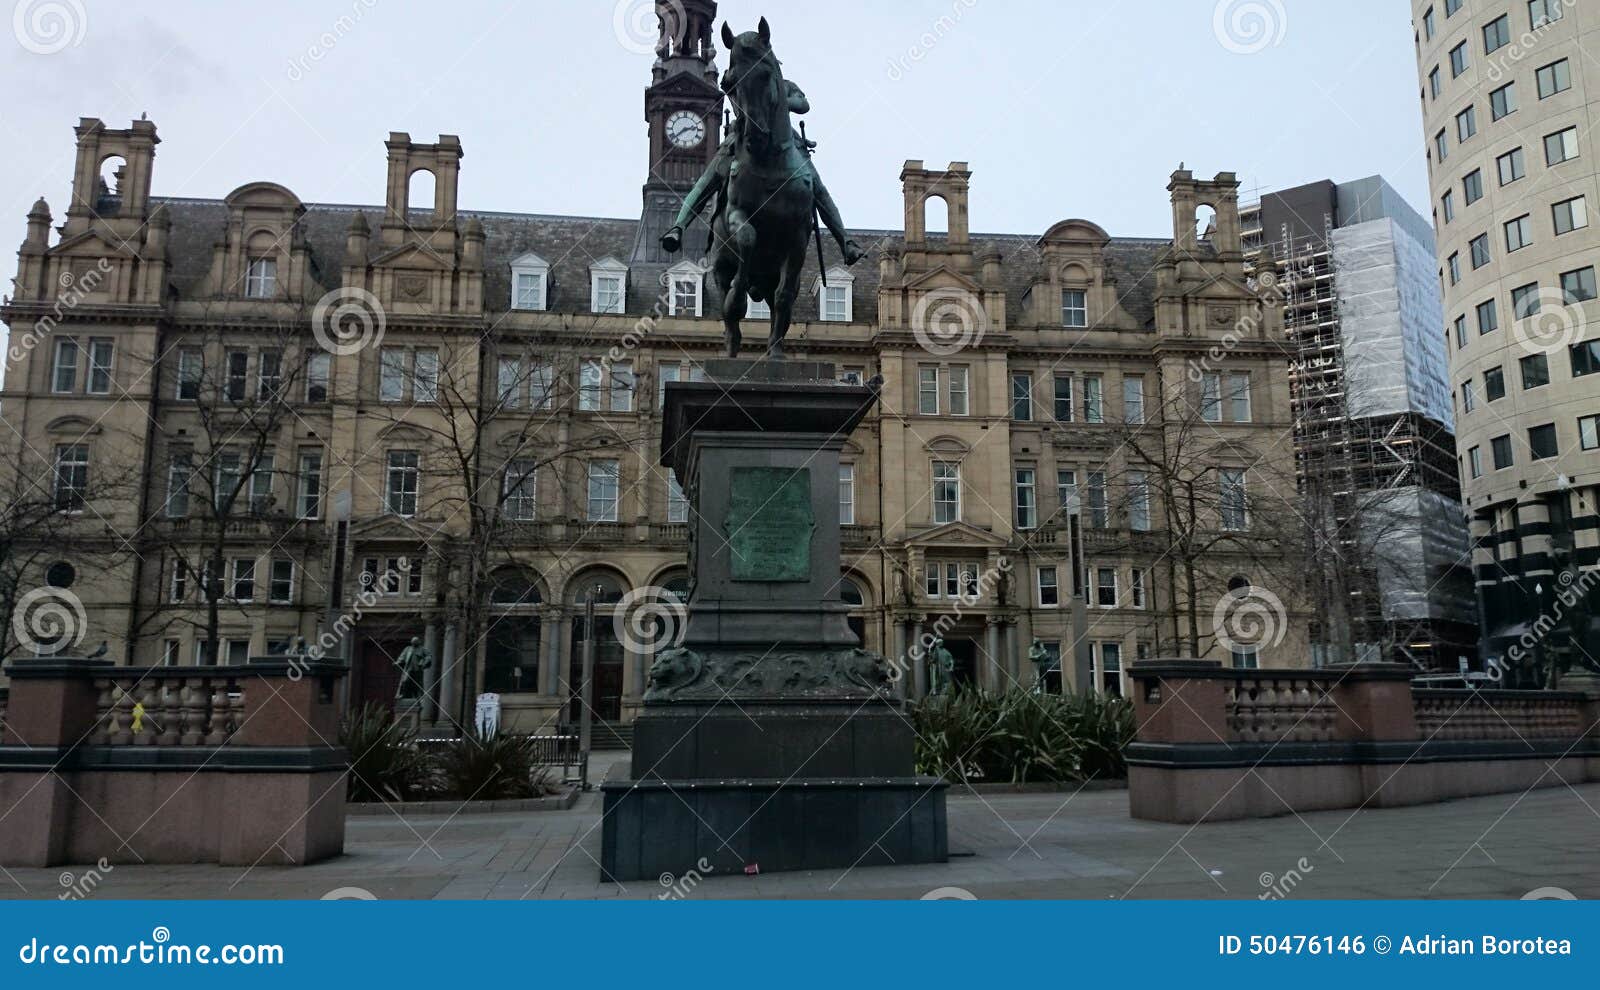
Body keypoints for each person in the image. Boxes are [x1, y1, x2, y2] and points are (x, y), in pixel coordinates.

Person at [662, 78, 864, 266]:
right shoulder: (744, 80)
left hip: (784, 143)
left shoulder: (783, 85)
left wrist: (777, 103)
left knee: (817, 186)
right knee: (707, 180)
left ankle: (846, 242)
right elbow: (730, 89)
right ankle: (678, 227)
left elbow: (803, 105)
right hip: (743, 139)